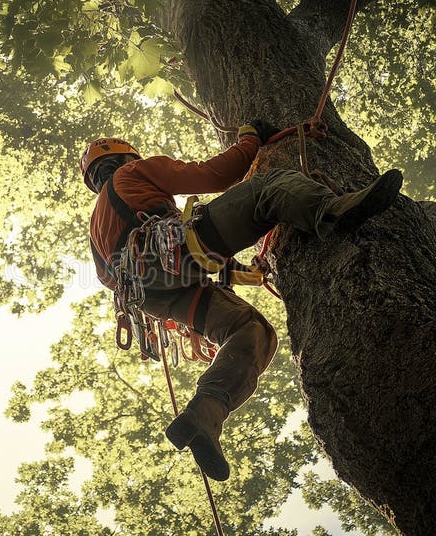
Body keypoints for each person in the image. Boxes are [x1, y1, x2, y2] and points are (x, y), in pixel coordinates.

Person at [82, 122, 403, 481]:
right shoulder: (132, 173)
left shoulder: (95, 231)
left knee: (252, 330)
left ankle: (207, 413)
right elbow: (217, 176)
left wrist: (251, 274)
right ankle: (332, 209)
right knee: (268, 188)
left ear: (93, 177)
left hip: (156, 294)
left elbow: (118, 278)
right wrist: (249, 138)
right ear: (125, 157)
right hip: (170, 255)